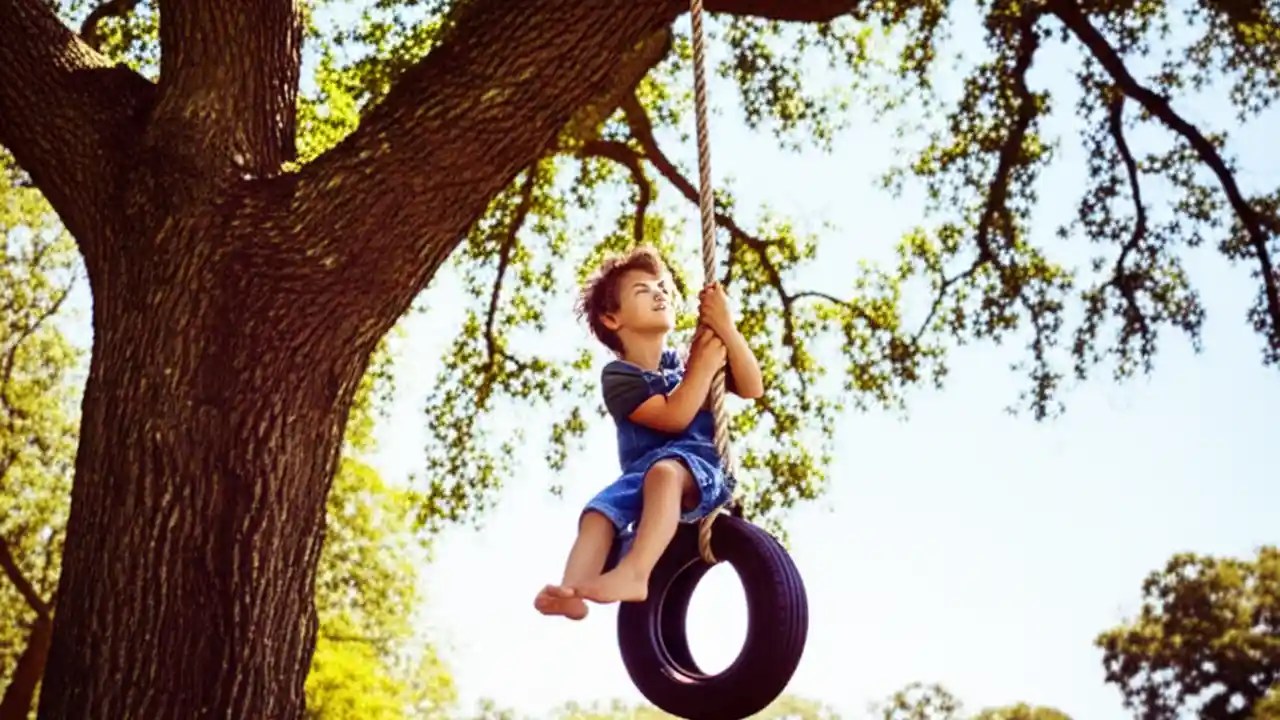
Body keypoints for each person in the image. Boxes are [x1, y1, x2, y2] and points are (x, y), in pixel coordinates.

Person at [534, 246, 764, 620]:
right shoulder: (620, 378)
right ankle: (571, 590)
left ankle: (636, 573)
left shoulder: (686, 366)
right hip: (642, 477)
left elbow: (753, 386)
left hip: (701, 471)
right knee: (598, 512)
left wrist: (726, 328)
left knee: (664, 473)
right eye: (643, 290)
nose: (659, 292)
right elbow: (673, 416)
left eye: (661, 287)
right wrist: (701, 370)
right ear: (612, 318)